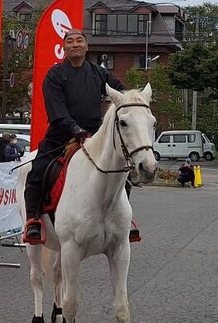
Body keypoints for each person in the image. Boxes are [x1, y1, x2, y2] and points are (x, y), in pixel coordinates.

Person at [23, 29, 138, 245]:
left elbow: (121, 92)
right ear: (64, 48)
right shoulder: (55, 75)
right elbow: (56, 110)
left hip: (96, 136)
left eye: (79, 41)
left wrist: (134, 99)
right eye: (70, 41)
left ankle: (125, 220)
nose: (75, 44)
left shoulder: (99, 73)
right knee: (37, 170)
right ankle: (34, 220)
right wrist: (75, 130)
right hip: (61, 136)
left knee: (122, 172)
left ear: (87, 46)